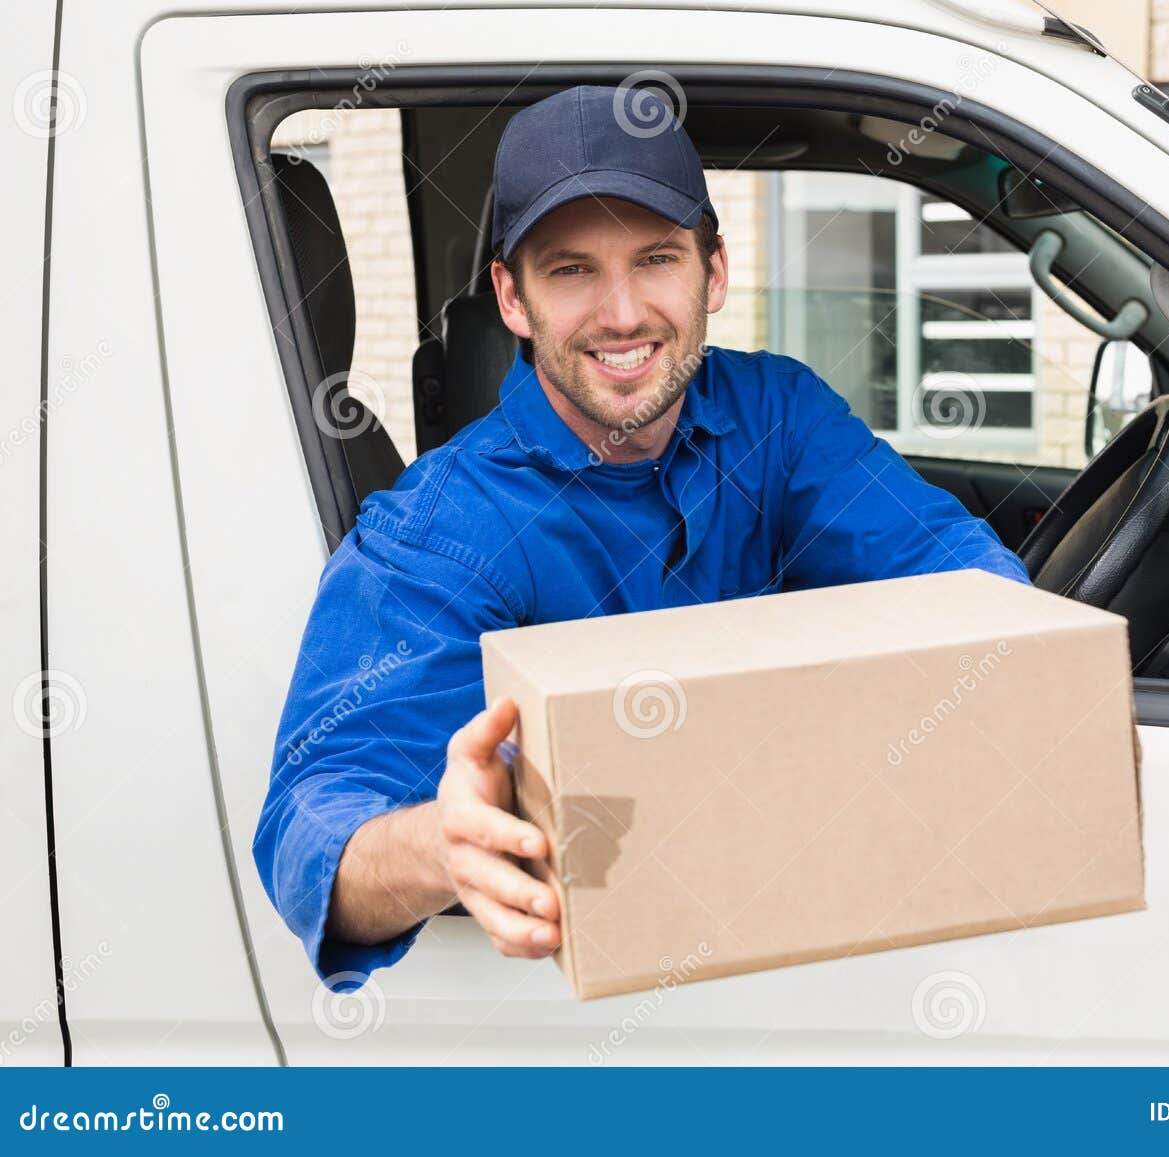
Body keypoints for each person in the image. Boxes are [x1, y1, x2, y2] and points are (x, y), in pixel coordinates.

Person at [254, 85, 1029, 985]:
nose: (622, 313)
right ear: (512, 297)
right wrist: (442, 844)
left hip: (810, 969)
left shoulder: (779, 418)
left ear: (715, 272)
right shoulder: (443, 532)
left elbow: (975, 590)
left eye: (656, 258)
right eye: (571, 270)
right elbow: (310, 830)